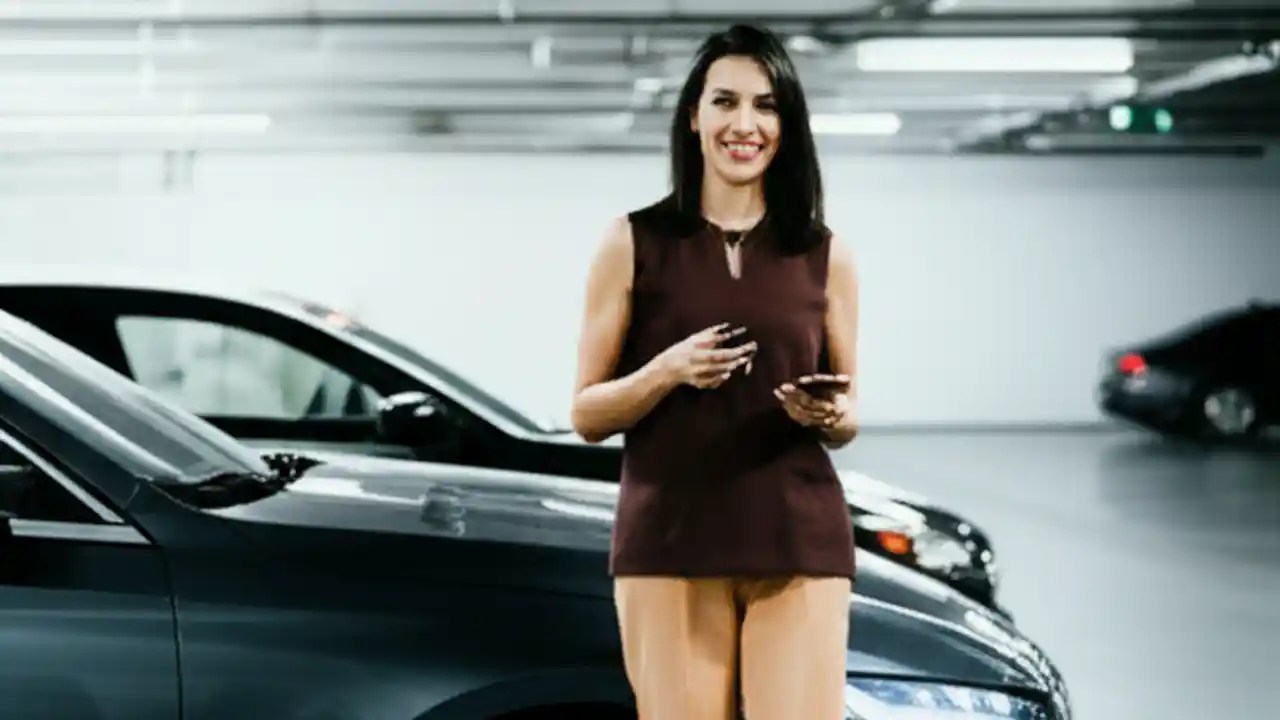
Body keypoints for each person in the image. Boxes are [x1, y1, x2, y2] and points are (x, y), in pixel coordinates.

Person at [569, 23, 860, 720]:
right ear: (693, 116)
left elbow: (849, 417)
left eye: (766, 105)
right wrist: (665, 370)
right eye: (725, 101)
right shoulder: (632, 241)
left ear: (786, 126)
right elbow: (587, 414)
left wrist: (827, 415)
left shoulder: (826, 253)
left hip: (797, 539)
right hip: (669, 540)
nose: (745, 123)